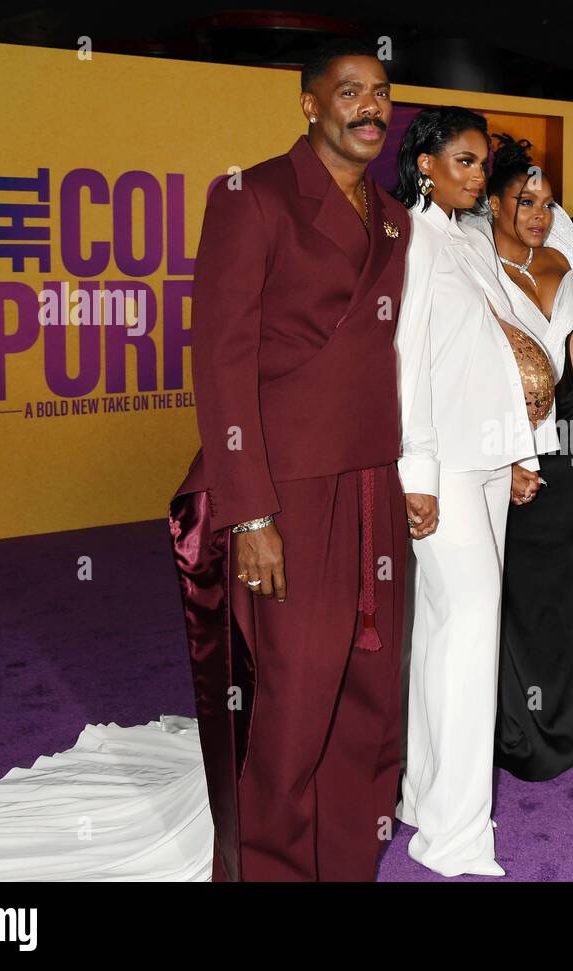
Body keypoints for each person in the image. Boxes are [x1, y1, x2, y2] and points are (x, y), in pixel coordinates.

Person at [168, 39, 410, 881]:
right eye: (349, 92)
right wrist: (251, 512)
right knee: (295, 701)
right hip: (289, 487)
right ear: (309, 103)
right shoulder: (251, 197)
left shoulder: (395, 216)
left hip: (375, 480)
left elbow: (392, 358)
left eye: (380, 92)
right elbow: (221, 362)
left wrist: (410, 473)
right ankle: (268, 868)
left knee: (371, 698)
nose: (369, 107)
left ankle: (345, 861)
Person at [393, 106, 556, 877]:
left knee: (444, 632)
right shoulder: (414, 239)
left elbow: (495, 346)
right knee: (469, 635)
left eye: (483, 163)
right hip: (445, 470)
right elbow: (406, 363)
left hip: (487, 461)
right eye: (462, 160)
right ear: (424, 162)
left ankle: (422, 798)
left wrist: (520, 452)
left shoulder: (466, 238)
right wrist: (415, 473)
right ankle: (456, 836)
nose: (476, 174)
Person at [480, 134, 573, 781]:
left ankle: (560, 712)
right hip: (504, 445)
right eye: (525, 201)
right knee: (505, 581)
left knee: (557, 579)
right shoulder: (475, 273)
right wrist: (511, 455)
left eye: (547, 203)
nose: (539, 215)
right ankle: (510, 724)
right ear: (493, 203)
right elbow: (477, 374)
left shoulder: (561, 265)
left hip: (569, 449)